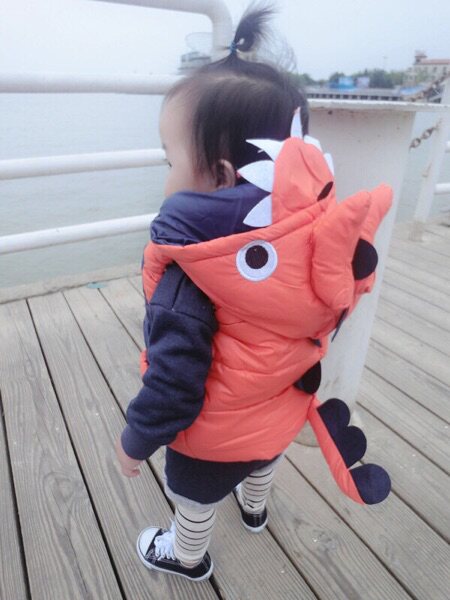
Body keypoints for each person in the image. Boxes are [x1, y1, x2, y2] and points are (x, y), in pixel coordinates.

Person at [115, 3, 392, 583]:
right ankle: (256, 508)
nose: (166, 174)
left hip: (212, 439)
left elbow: (173, 384)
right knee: (262, 460)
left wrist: (136, 442)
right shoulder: (319, 249)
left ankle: (186, 555)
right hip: (279, 416)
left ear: (219, 176)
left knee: (194, 499)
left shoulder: (192, 276)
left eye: (170, 160)